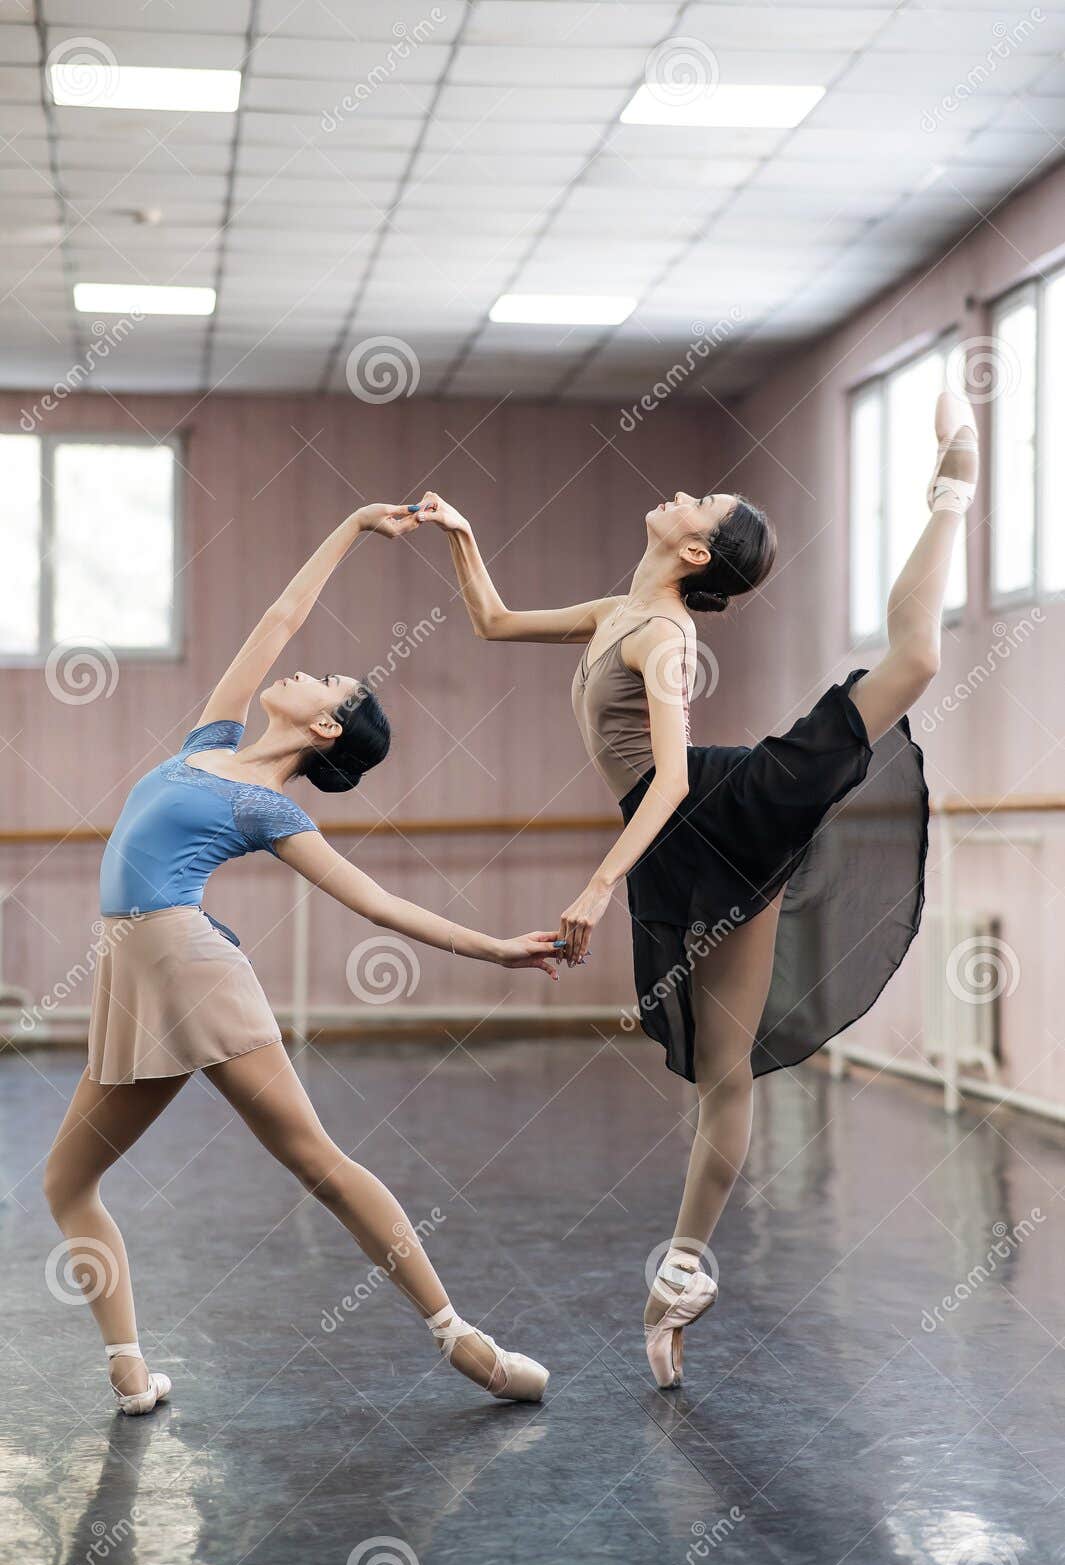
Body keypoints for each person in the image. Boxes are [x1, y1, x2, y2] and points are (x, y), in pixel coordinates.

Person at [416, 391, 978, 1388]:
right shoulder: (615, 611)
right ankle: (681, 1277)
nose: (679, 494)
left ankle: (954, 486)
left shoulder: (665, 636)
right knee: (722, 1073)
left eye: (698, 501)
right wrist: (461, 536)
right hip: (691, 842)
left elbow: (670, 779)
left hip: (728, 806)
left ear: (691, 553)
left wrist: (594, 888)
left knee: (915, 662)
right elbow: (494, 621)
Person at [44, 502, 558, 1414]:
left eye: (327, 682)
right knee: (68, 1183)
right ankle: (129, 1372)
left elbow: (379, 902)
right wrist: (353, 528)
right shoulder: (212, 742)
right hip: (132, 975)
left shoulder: (271, 812)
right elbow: (280, 615)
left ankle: (461, 1339)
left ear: (327, 728)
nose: (306, 668)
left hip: (193, 968)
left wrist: (497, 951)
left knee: (316, 1162)